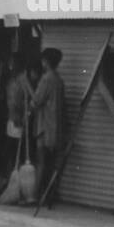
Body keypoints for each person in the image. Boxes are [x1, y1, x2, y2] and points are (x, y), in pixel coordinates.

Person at [28, 48, 66, 209]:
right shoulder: (59, 80)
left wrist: (28, 86)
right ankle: (49, 195)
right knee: (51, 163)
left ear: (47, 62)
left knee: (41, 162)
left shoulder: (46, 79)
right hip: (56, 127)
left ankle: (34, 196)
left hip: (44, 126)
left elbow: (36, 101)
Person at [0, 54, 32, 199]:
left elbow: (30, 99)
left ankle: (17, 187)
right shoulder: (11, 80)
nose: (10, 66)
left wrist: (23, 116)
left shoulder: (23, 80)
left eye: (12, 63)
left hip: (19, 122)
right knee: (9, 155)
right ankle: (8, 184)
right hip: (10, 120)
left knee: (16, 156)